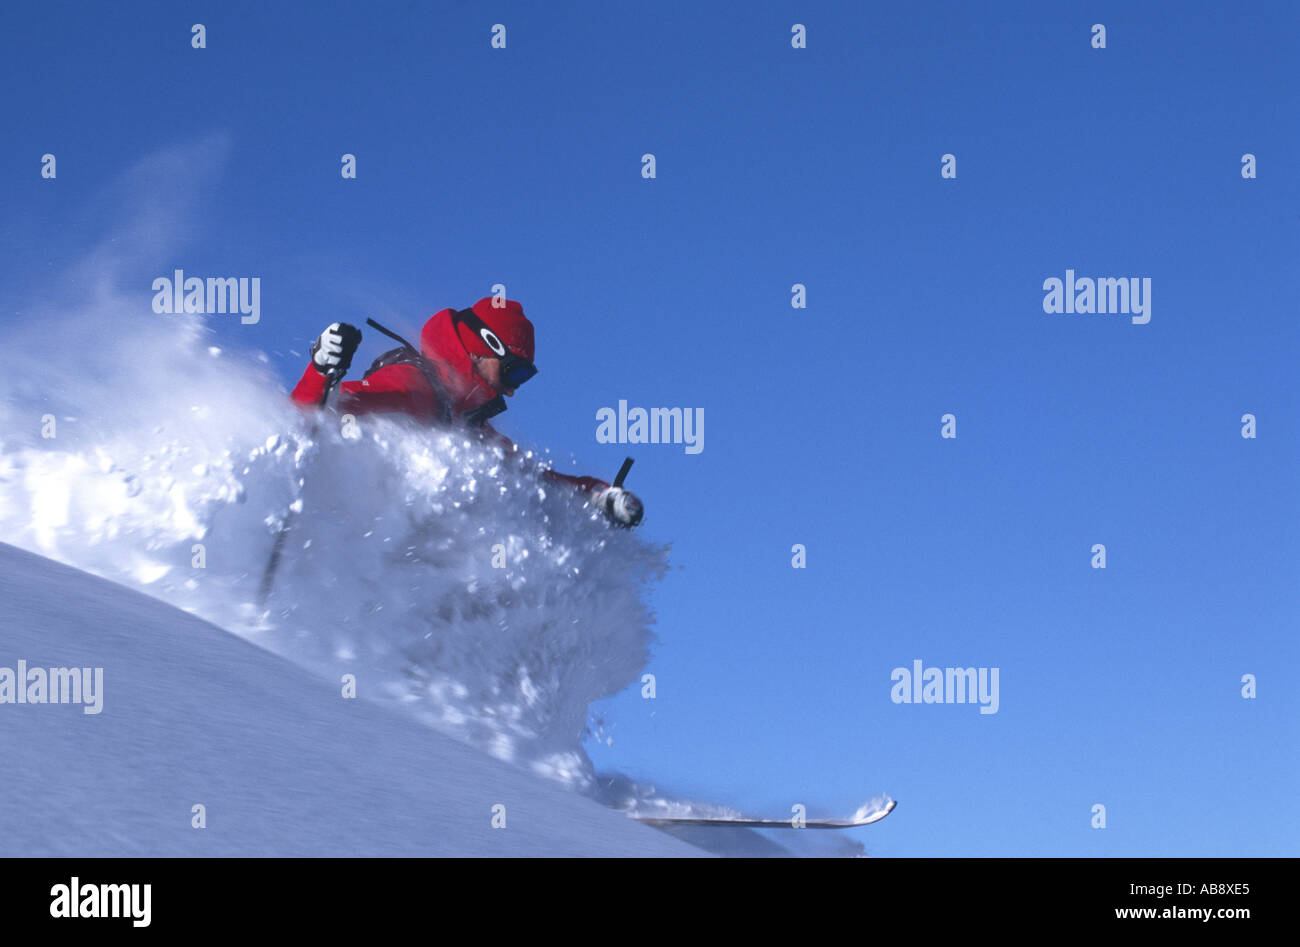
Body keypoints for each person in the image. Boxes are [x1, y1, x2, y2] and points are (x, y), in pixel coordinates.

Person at [289, 297, 644, 527]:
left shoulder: (467, 425)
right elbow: (308, 415)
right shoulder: (414, 385)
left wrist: (599, 496)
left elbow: (538, 480)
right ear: (485, 346)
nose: (512, 389)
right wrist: (322, 370)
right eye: (513, 372)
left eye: (524, 378)